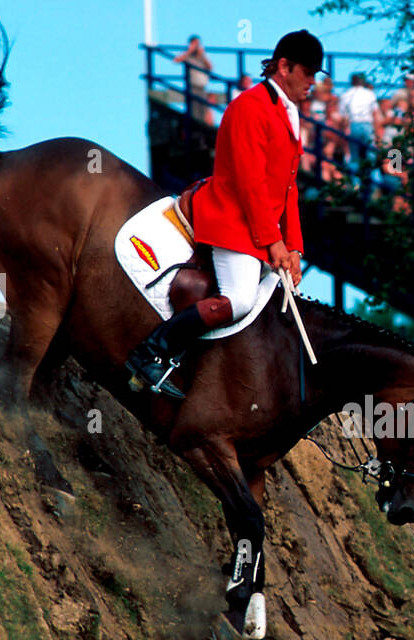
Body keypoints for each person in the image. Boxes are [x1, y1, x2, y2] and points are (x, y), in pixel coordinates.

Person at [127, 30, 325, 397]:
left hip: (262, 224)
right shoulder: (250, 106)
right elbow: (250, 183)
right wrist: (273, 241)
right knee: (240, 300)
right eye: (309, 72)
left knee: (275, 302)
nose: (313, 82)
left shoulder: (291, 115)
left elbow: (289, 187)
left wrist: (295, 247)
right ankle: (152, 352)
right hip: (232, 219)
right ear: (284, 67)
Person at [338, 71, 381, 167]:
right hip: (367, 125)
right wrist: (377, 133)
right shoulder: (370, 94)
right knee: (371, 154)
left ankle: (355, 180)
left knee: (354, 155)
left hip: (353, 125)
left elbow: (343, 116)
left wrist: (345, 129)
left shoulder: (345, 95)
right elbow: (375, 114)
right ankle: (372, 178)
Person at [173, 35, 214, 125]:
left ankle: (201, 125)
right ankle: (194, 126)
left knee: (202, 108)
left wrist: (202, 55)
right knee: (194, 109)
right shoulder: (187, 56)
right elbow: (176, 60)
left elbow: (210, 67)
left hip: (202, 86)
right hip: (193, 86)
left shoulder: (202, 57)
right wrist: (189, 51)